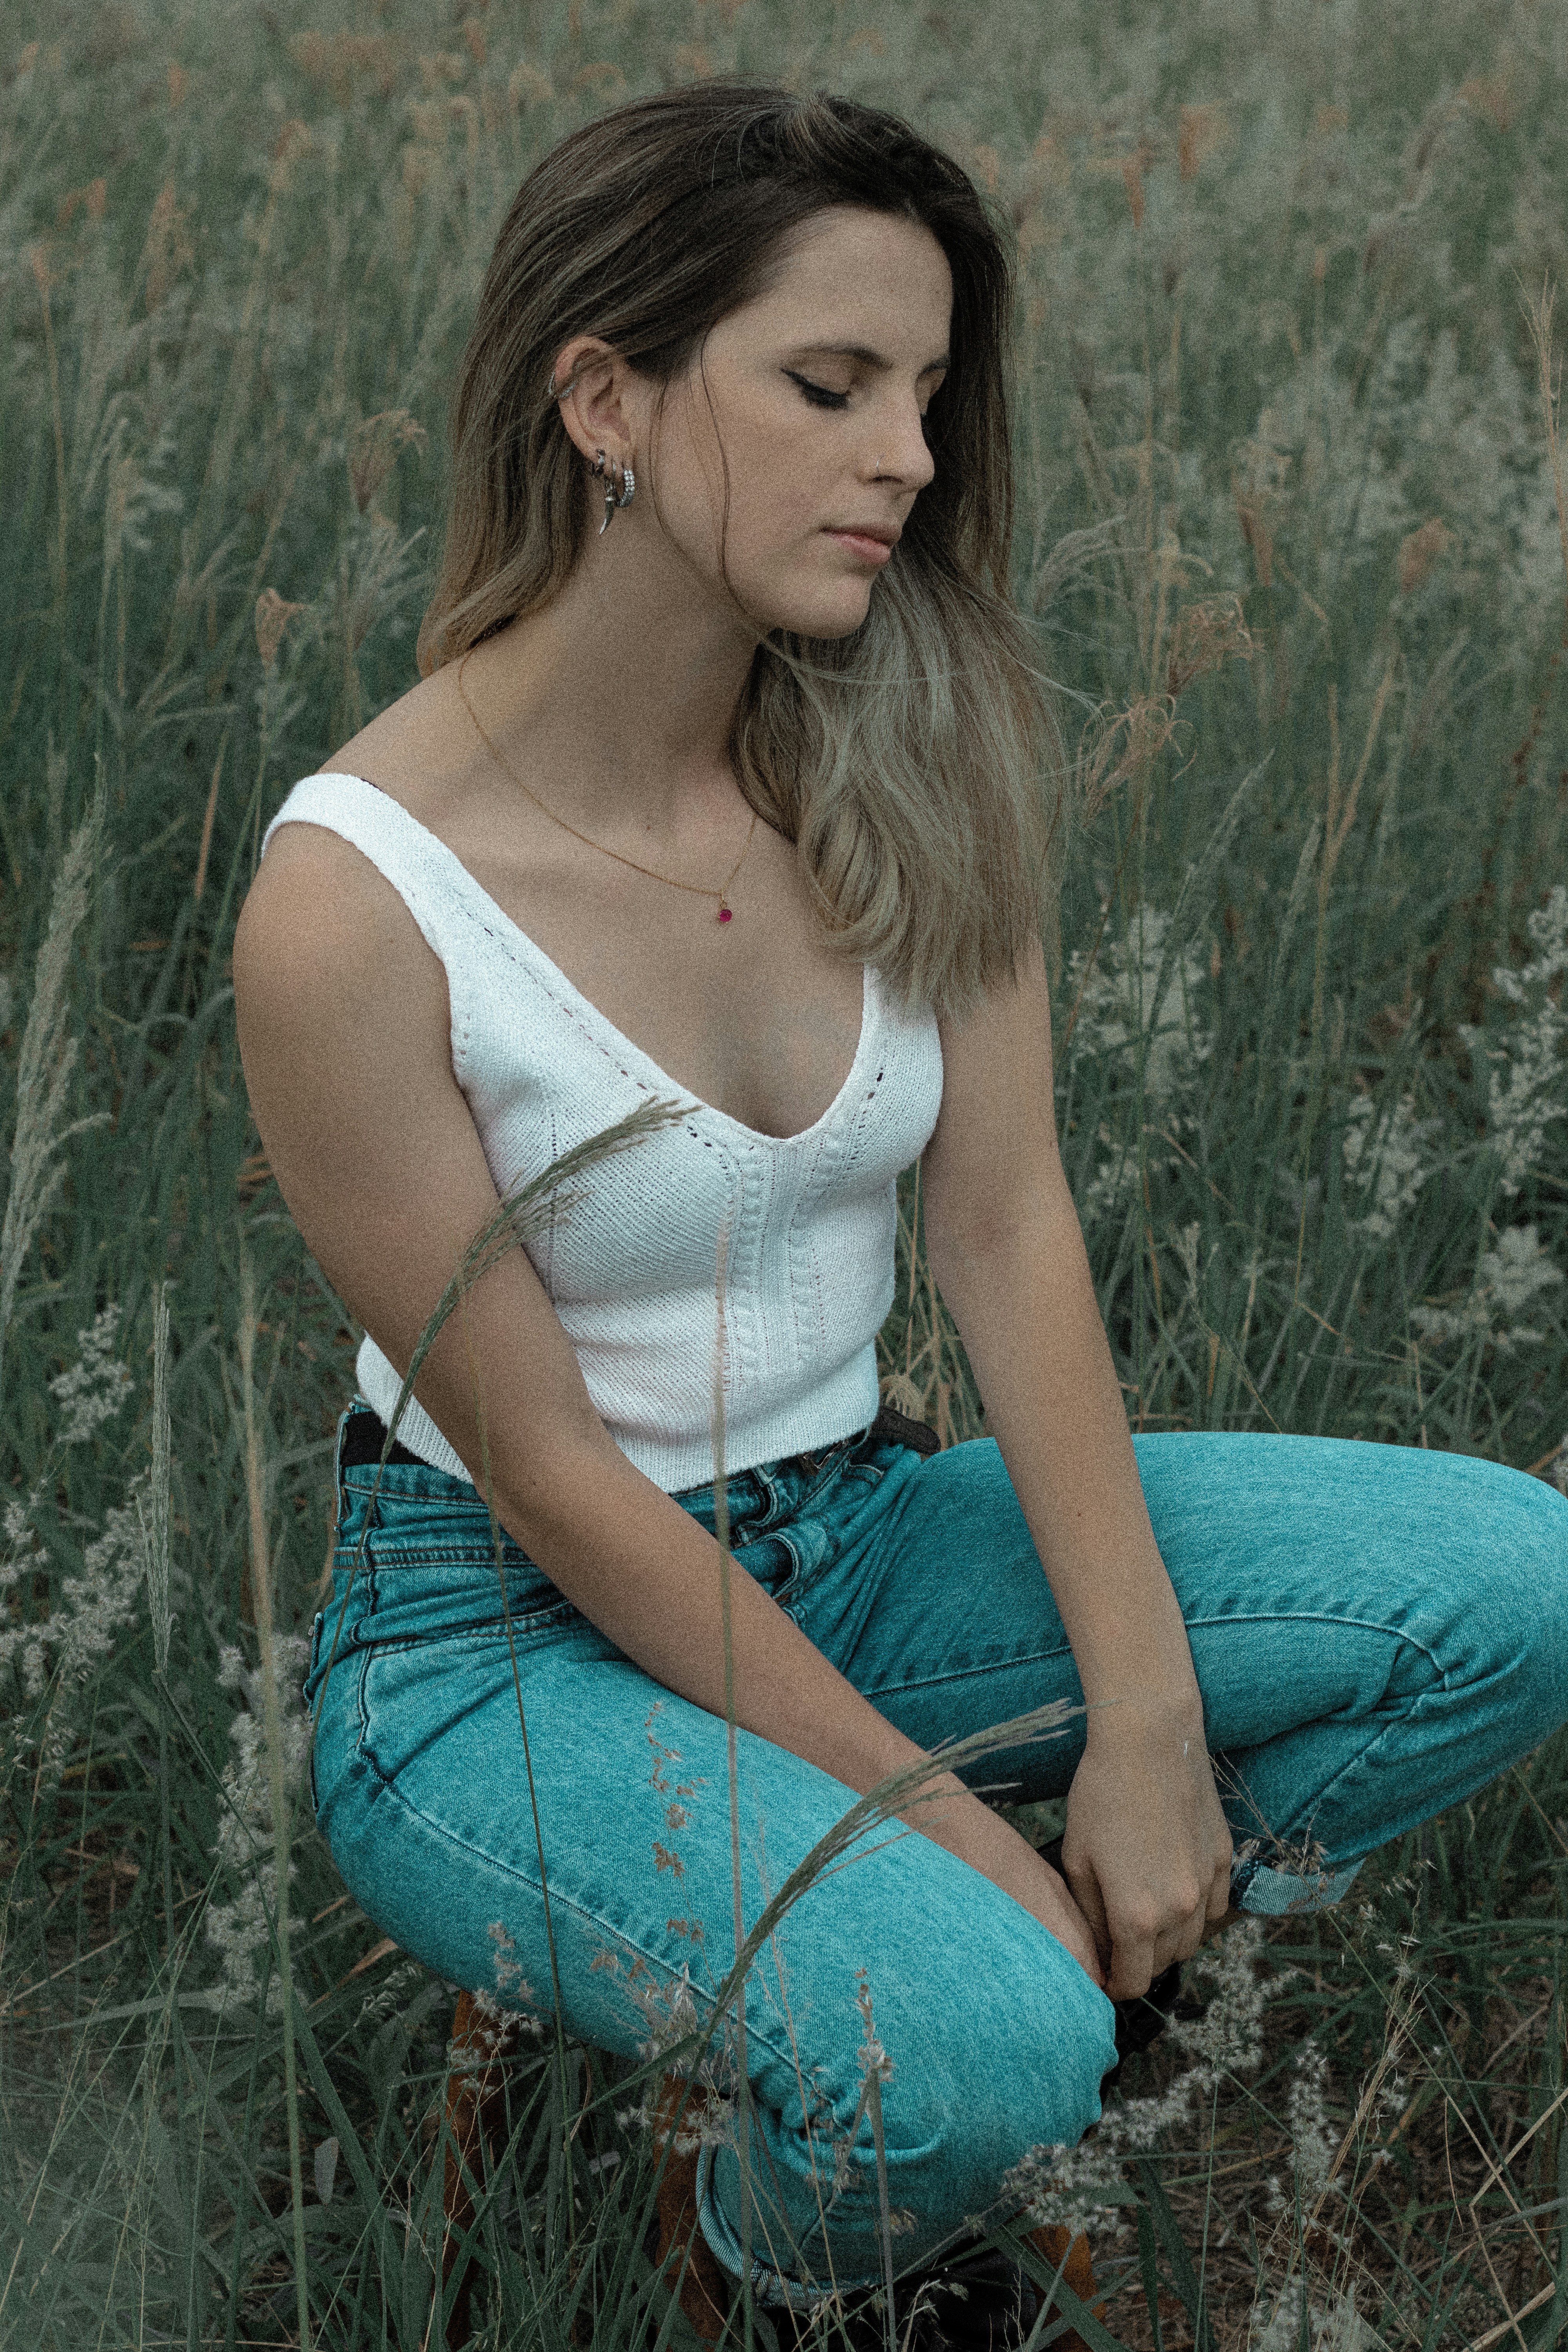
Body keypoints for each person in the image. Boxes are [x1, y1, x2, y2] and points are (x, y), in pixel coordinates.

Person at [233, 83, 1568, 2327]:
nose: (914, 461)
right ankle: (791, 2257)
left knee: (1516, 1592)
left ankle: (1024, 2025)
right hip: (500, 1646)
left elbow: (1009, 1228)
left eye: (931, 394)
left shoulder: (907, 761)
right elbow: (551, 1474)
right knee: (981, 2039)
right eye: (832, 385)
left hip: (854, 1537)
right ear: (607, 401)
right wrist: (951, 1832)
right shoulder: (357, 907)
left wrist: (1145, 1732)